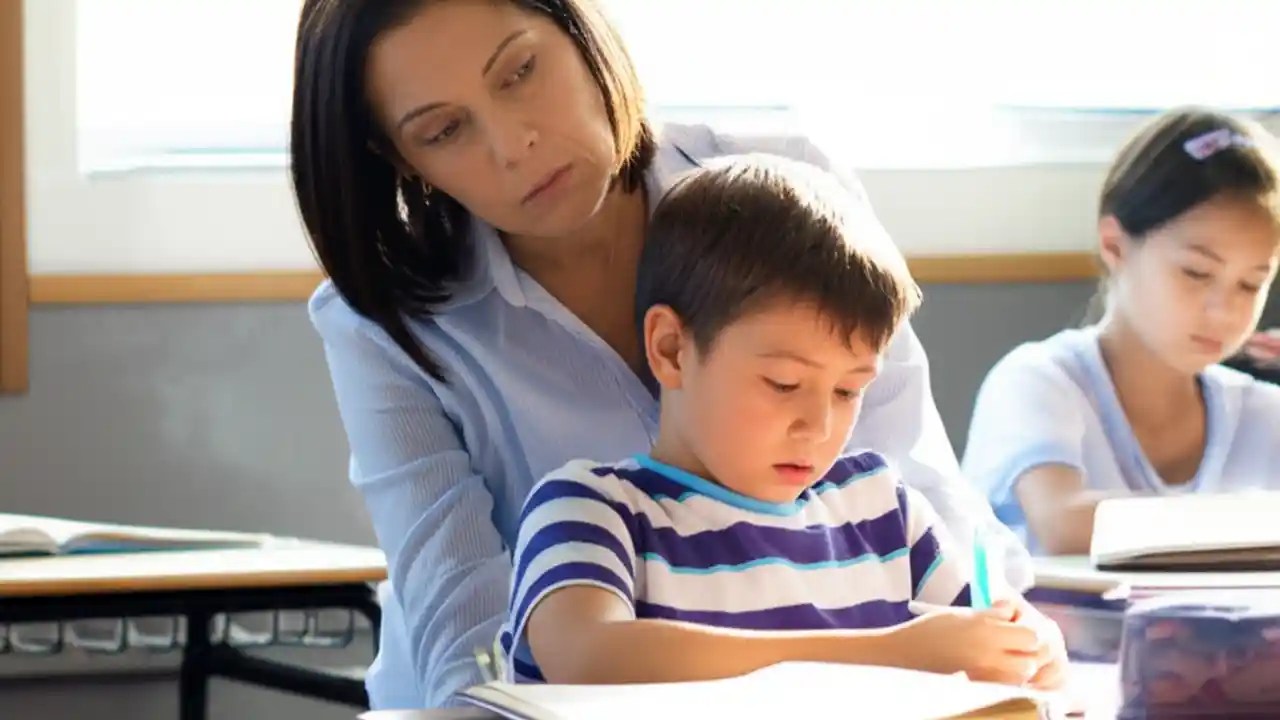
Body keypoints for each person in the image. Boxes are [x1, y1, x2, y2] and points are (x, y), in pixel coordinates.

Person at [289, 0, 1029, 707]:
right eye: (445, 130)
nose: (514, 145)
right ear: (400, 158)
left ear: (579, 31)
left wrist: (997, 643)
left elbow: (909, 483)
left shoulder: (788, 194)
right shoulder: (382, 323)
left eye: (520, 72)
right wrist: (886, 656)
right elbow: (470, 629)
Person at [500, 155, 1067, 689]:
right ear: (671, 349)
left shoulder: (882, 510)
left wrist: (1029, 647)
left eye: (848, 390)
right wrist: (895, 652)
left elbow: (978, 641)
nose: (818, 427)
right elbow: (587, 657)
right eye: (784, 384)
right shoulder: (590, 510)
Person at [962, 108, 1280, 556]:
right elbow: (1063, 524)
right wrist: (1254, 518)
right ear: (1114, 245)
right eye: (1196, 272)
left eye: (1251, 284)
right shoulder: (1037, 381)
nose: (1225, 310)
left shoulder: (1264, 414)